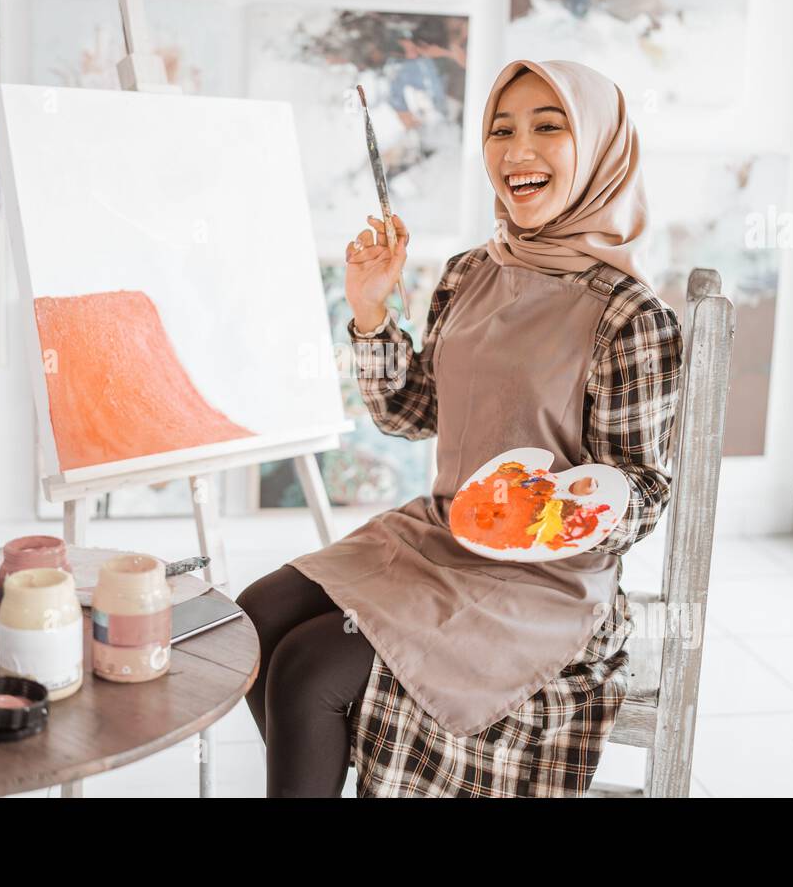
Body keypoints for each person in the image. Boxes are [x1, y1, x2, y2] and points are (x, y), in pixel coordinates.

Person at [236, 59, 683, 797]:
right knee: (255, 619)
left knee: (311, 669)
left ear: (601, 149)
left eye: (549, 126)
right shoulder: (469, 272)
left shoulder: (631, 316)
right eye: (501, 130)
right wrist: (373, 311)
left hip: (543, 583)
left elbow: (642, 492)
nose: (517, 150)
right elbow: (410, 415)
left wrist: (554, 517)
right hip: (439, 536)